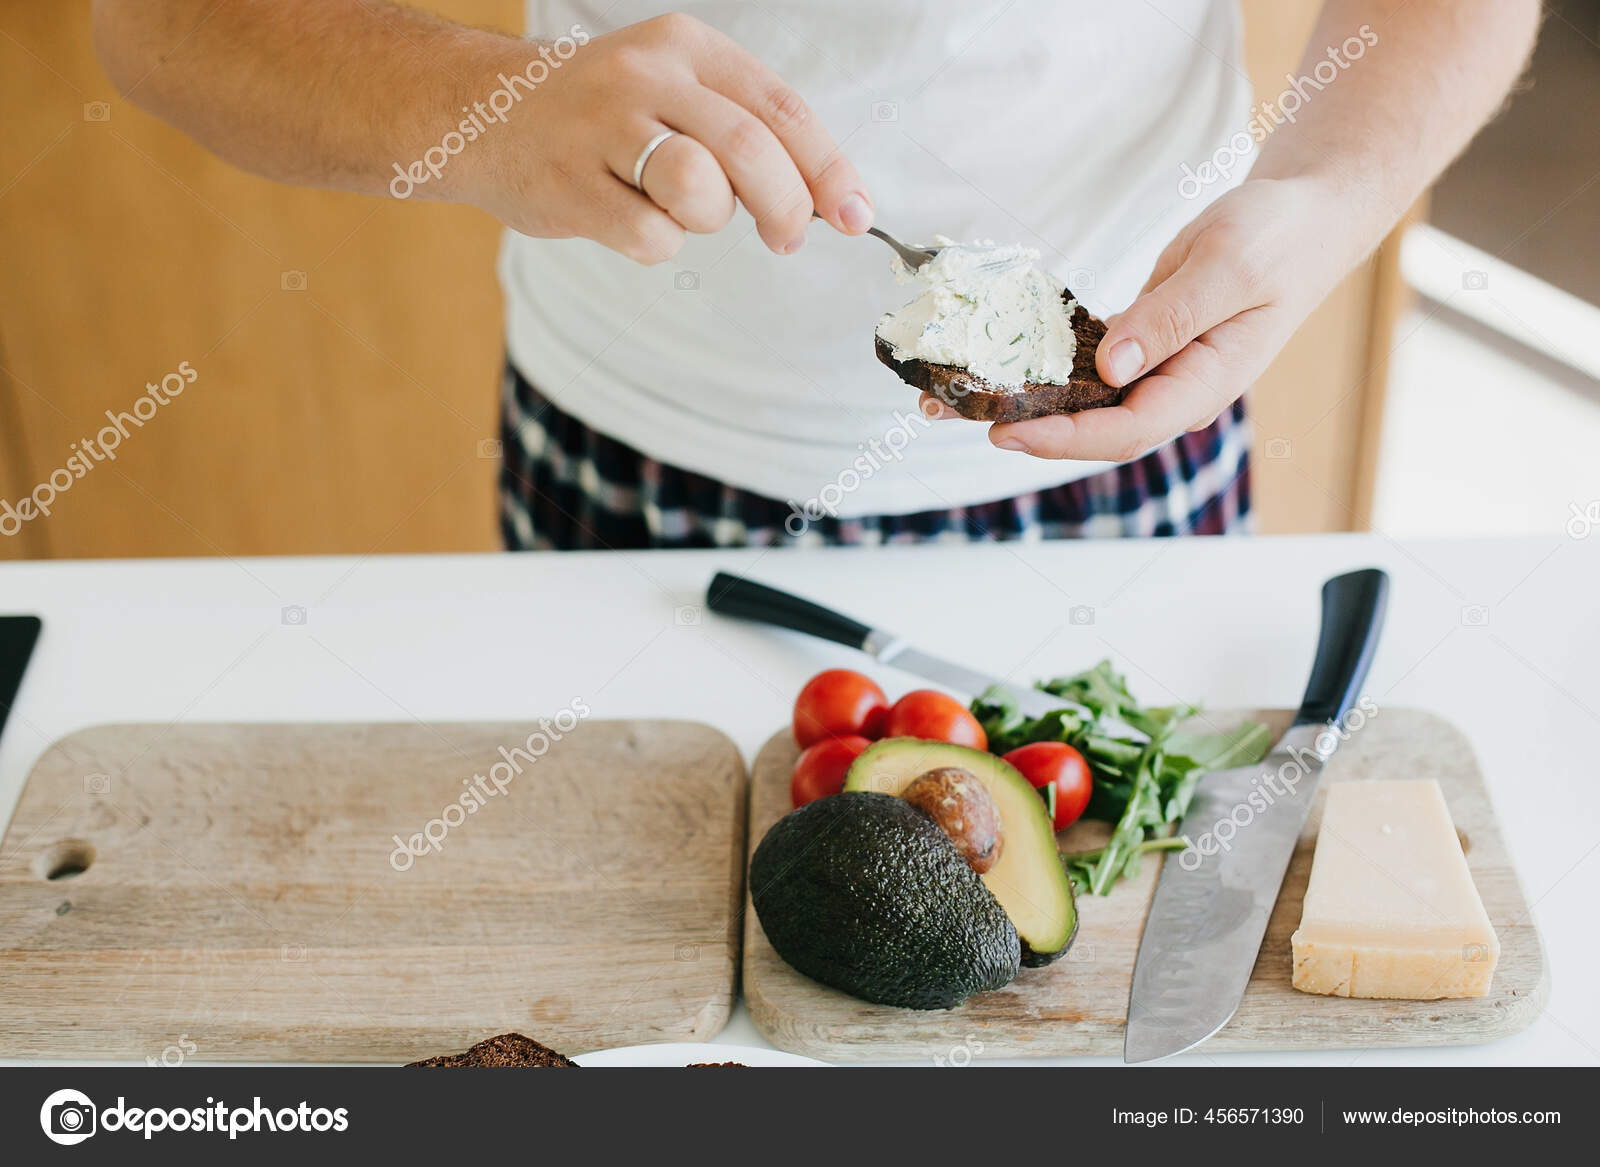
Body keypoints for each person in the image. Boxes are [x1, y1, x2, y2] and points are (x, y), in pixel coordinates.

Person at [91, 0, 1539, 549]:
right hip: (637, 454)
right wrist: (493, 108)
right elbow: (162, 23)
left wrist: (1325, 198)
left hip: (1132, 438)